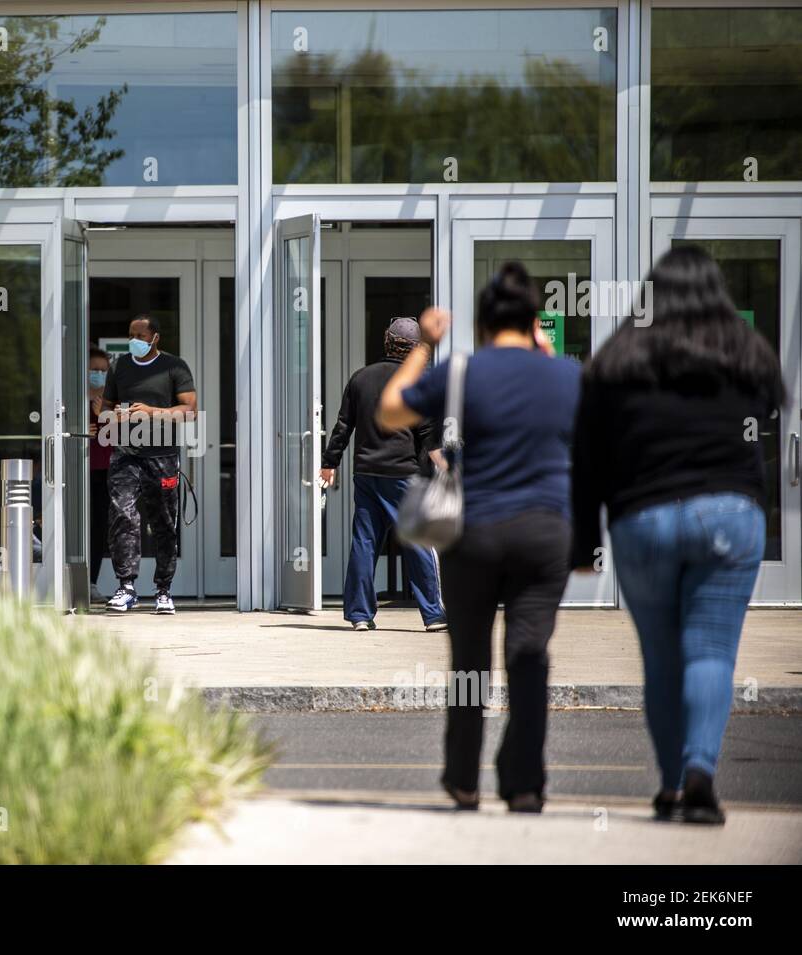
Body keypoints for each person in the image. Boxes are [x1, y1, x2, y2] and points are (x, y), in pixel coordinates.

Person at [573, 246, 785, 826]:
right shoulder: (746, 353)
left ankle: (668, 786)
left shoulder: (620, 357)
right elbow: (763, 430)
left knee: (662, 659)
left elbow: (588, 457)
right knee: (711, 652)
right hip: (730, 514)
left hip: (642, 519)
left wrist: (583, 542)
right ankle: (699, 776)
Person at [378, 263, 579, 814]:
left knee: (470, 659)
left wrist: (425, 344)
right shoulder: (567, 376)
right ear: (535, 322)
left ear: (484, 322)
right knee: (530, 656)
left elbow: (391, 410)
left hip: (476, 534)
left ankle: (464, 780)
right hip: (545, 535)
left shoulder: (463, 370)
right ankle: (524, 783)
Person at [320, 317, 447, 633]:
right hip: (403, 474)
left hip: (366, 472)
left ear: (387, 341)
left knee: (364, 541)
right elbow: (428, 433)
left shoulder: (361, 378)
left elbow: (342, 427)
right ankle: (433, 615)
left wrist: (329, 463)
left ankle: (360, 615)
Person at [100, 315, 197, 614]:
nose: (135, 341)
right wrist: (112, 416)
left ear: (155, 338)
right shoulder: (120, 366)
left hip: (162, 456)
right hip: (126, 454)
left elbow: (189, 411)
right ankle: (126, 586)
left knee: (164, 523)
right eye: (131, 335)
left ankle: (163, 590)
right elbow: (105, 408)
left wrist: (153, 412)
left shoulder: (174, 367)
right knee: (123, 517)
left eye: (140, 335)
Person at [87, 346, 113, 603]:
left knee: (97, 529)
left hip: (104, 472)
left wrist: (101, 414)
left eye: (103, 371)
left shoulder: (112, 400)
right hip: (77, 471)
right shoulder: (72, 399)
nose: (98, 375)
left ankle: (91, 582)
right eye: (94, 370)